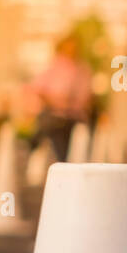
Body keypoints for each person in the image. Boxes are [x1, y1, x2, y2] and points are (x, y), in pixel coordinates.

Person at [25, 34, 92, 162]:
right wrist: (56, 101)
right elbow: (39, 89)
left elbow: (86, 98)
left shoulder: (82, 70)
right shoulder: (54, 67)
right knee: (60, 150)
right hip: (57, 118)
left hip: (74, 119)